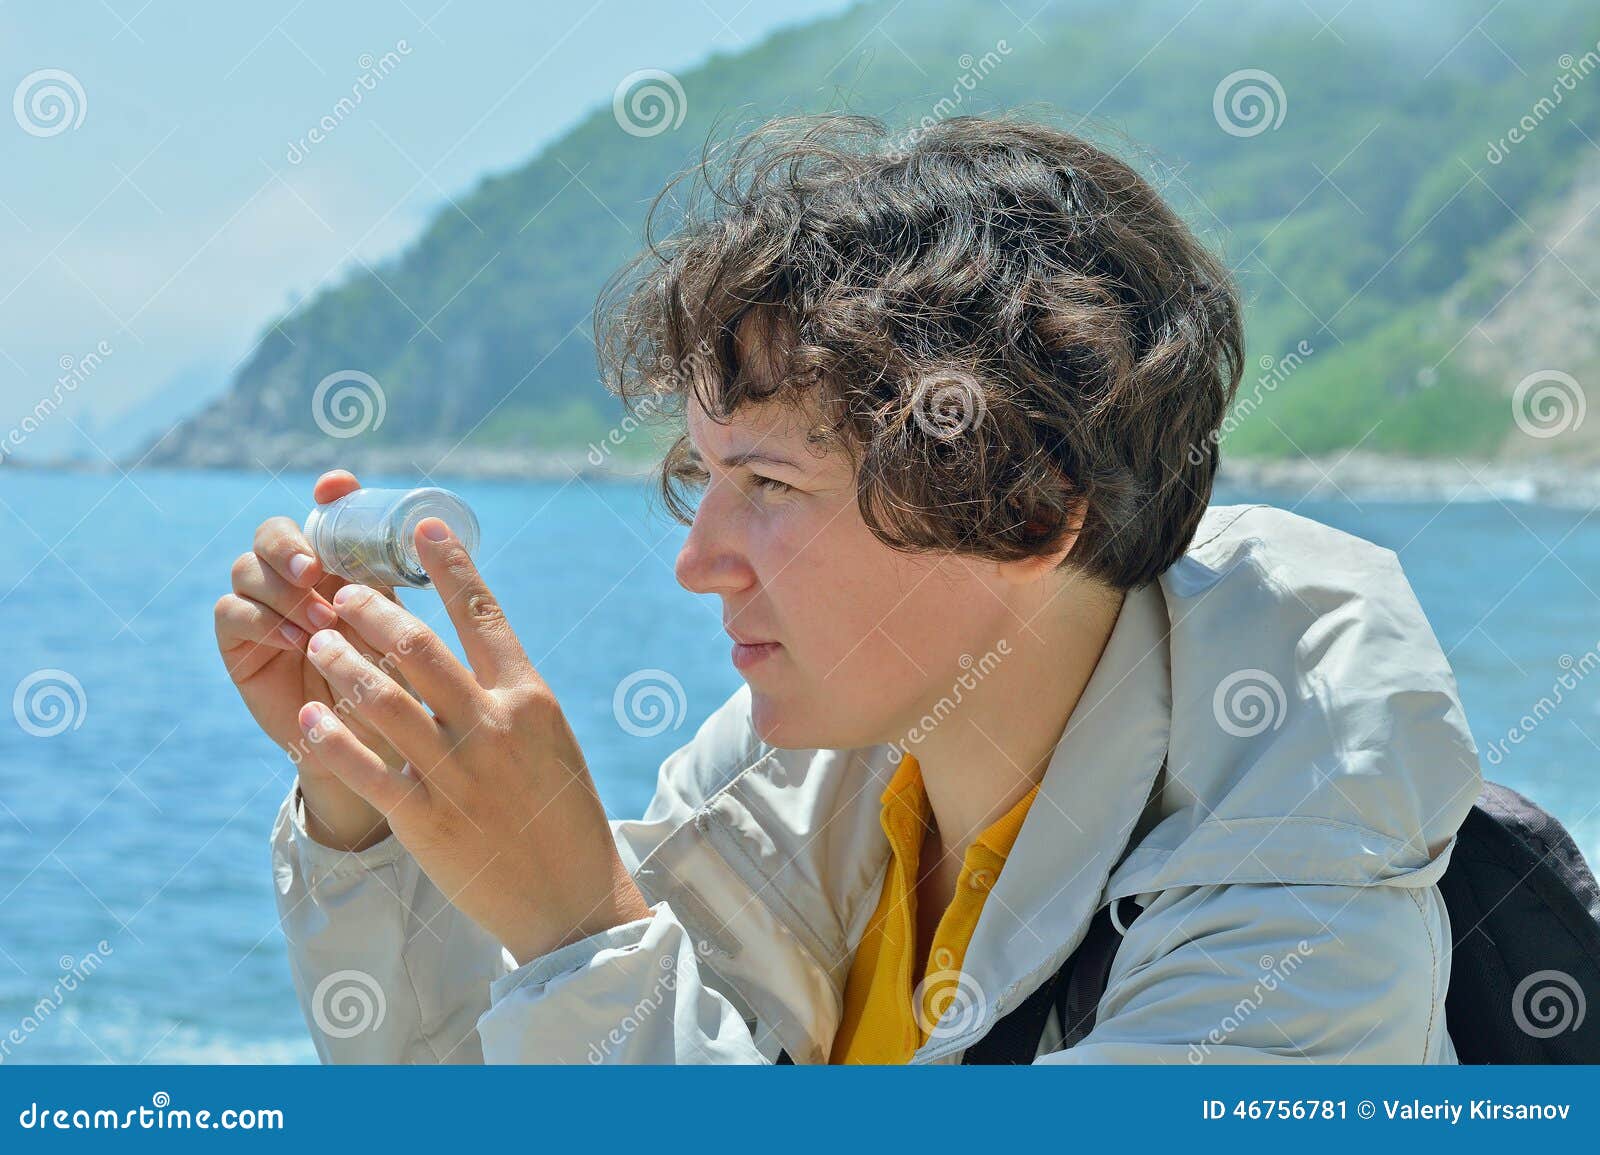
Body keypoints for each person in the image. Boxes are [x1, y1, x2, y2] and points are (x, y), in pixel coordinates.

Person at [216, 112, 1482, 1064]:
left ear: (1026, 505)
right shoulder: (786, 790)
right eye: (702, 478)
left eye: (766, 485)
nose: (697, 560)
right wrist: (371, 811)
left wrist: (581, 933)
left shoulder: (1302, 921)